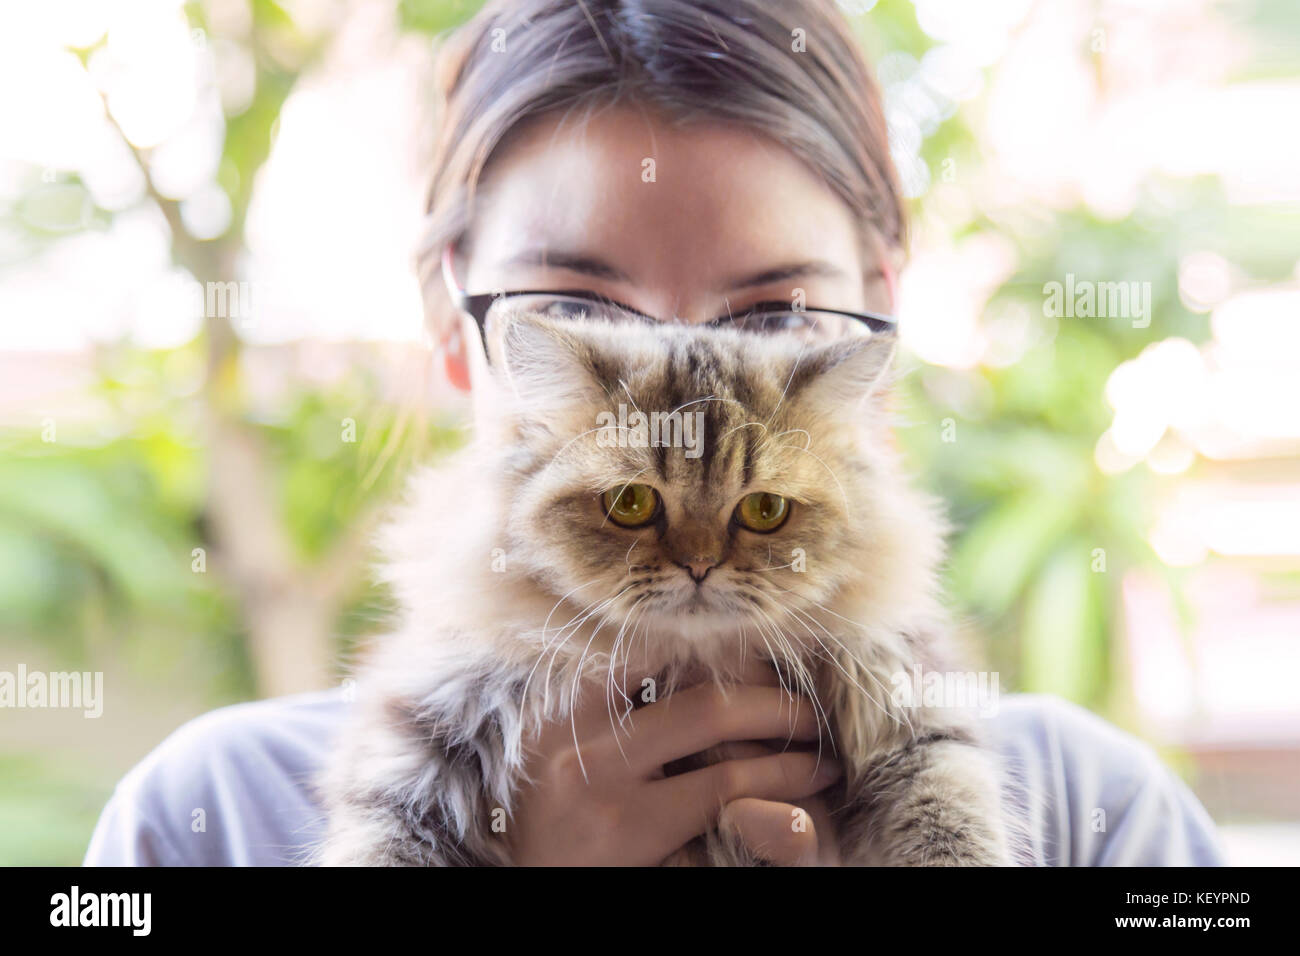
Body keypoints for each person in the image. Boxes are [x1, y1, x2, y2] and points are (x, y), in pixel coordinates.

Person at [84, 0, 1225, 866]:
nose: (691, 388)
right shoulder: (204, 817)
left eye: (775, 317)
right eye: (576, 314)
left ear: (877, 325)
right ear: (454, 321)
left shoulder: (1100, 816)